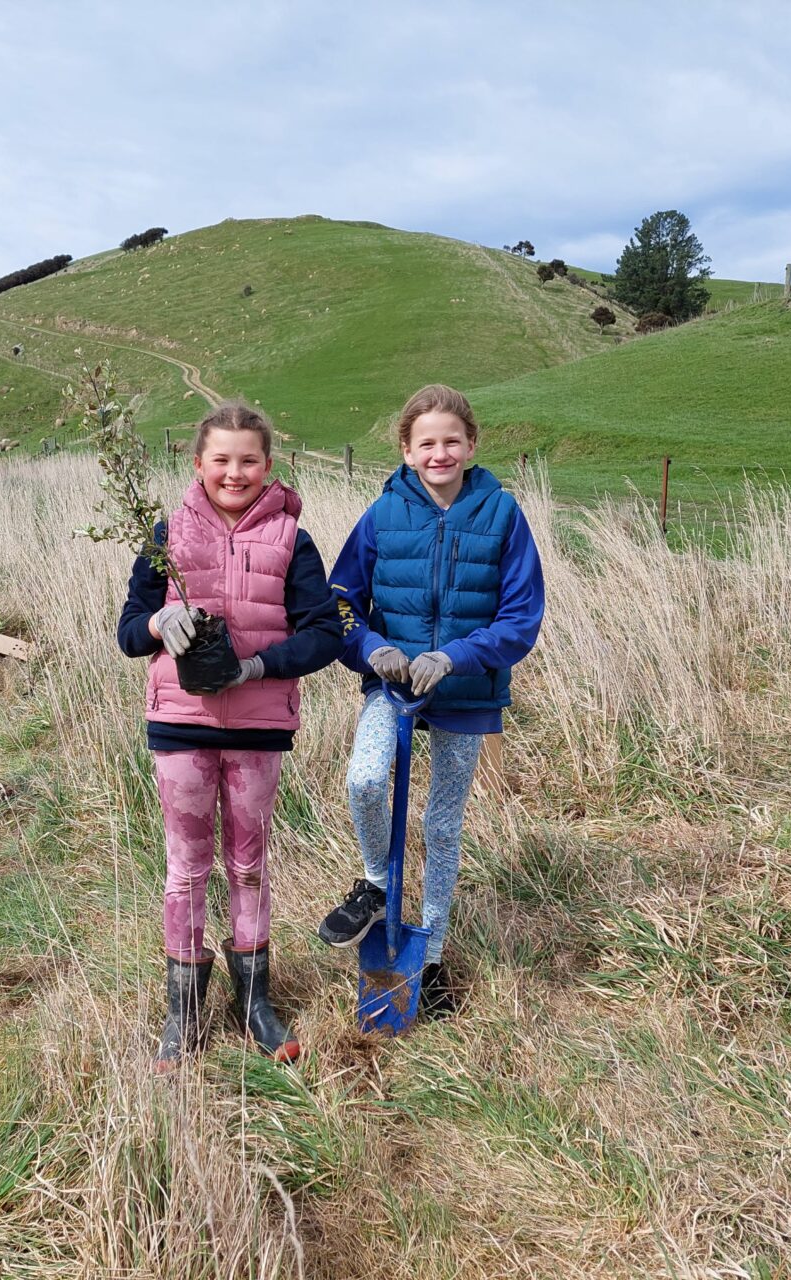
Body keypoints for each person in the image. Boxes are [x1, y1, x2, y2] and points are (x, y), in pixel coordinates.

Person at [116, 401, 341, 1070]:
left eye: (248, 460)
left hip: (257, 728)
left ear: (267, 466)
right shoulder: (164, 537)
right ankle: (182, 1016)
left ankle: (255, 1008)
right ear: (198, 465)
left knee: (247, 865)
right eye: (221, 460)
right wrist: (162, 623)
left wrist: (256, 665)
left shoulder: (292, 541)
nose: (234, 472)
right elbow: (128, 632)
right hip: (179, 725)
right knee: (185, 869)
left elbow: (324, 634)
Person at [317, 385, 543, 1016]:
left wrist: (455, 657)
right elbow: (337, 603)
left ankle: (433, 957)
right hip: (392, 689)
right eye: (426, 443)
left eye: (452, 441)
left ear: (472, 444)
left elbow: (522, 615)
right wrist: (370, 647)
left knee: (441, 827)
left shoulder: (502, 514)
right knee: (364, 780)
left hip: (464, 693)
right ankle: (374, 883)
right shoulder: (382, 516)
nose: (439, 452)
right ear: (406, 450)